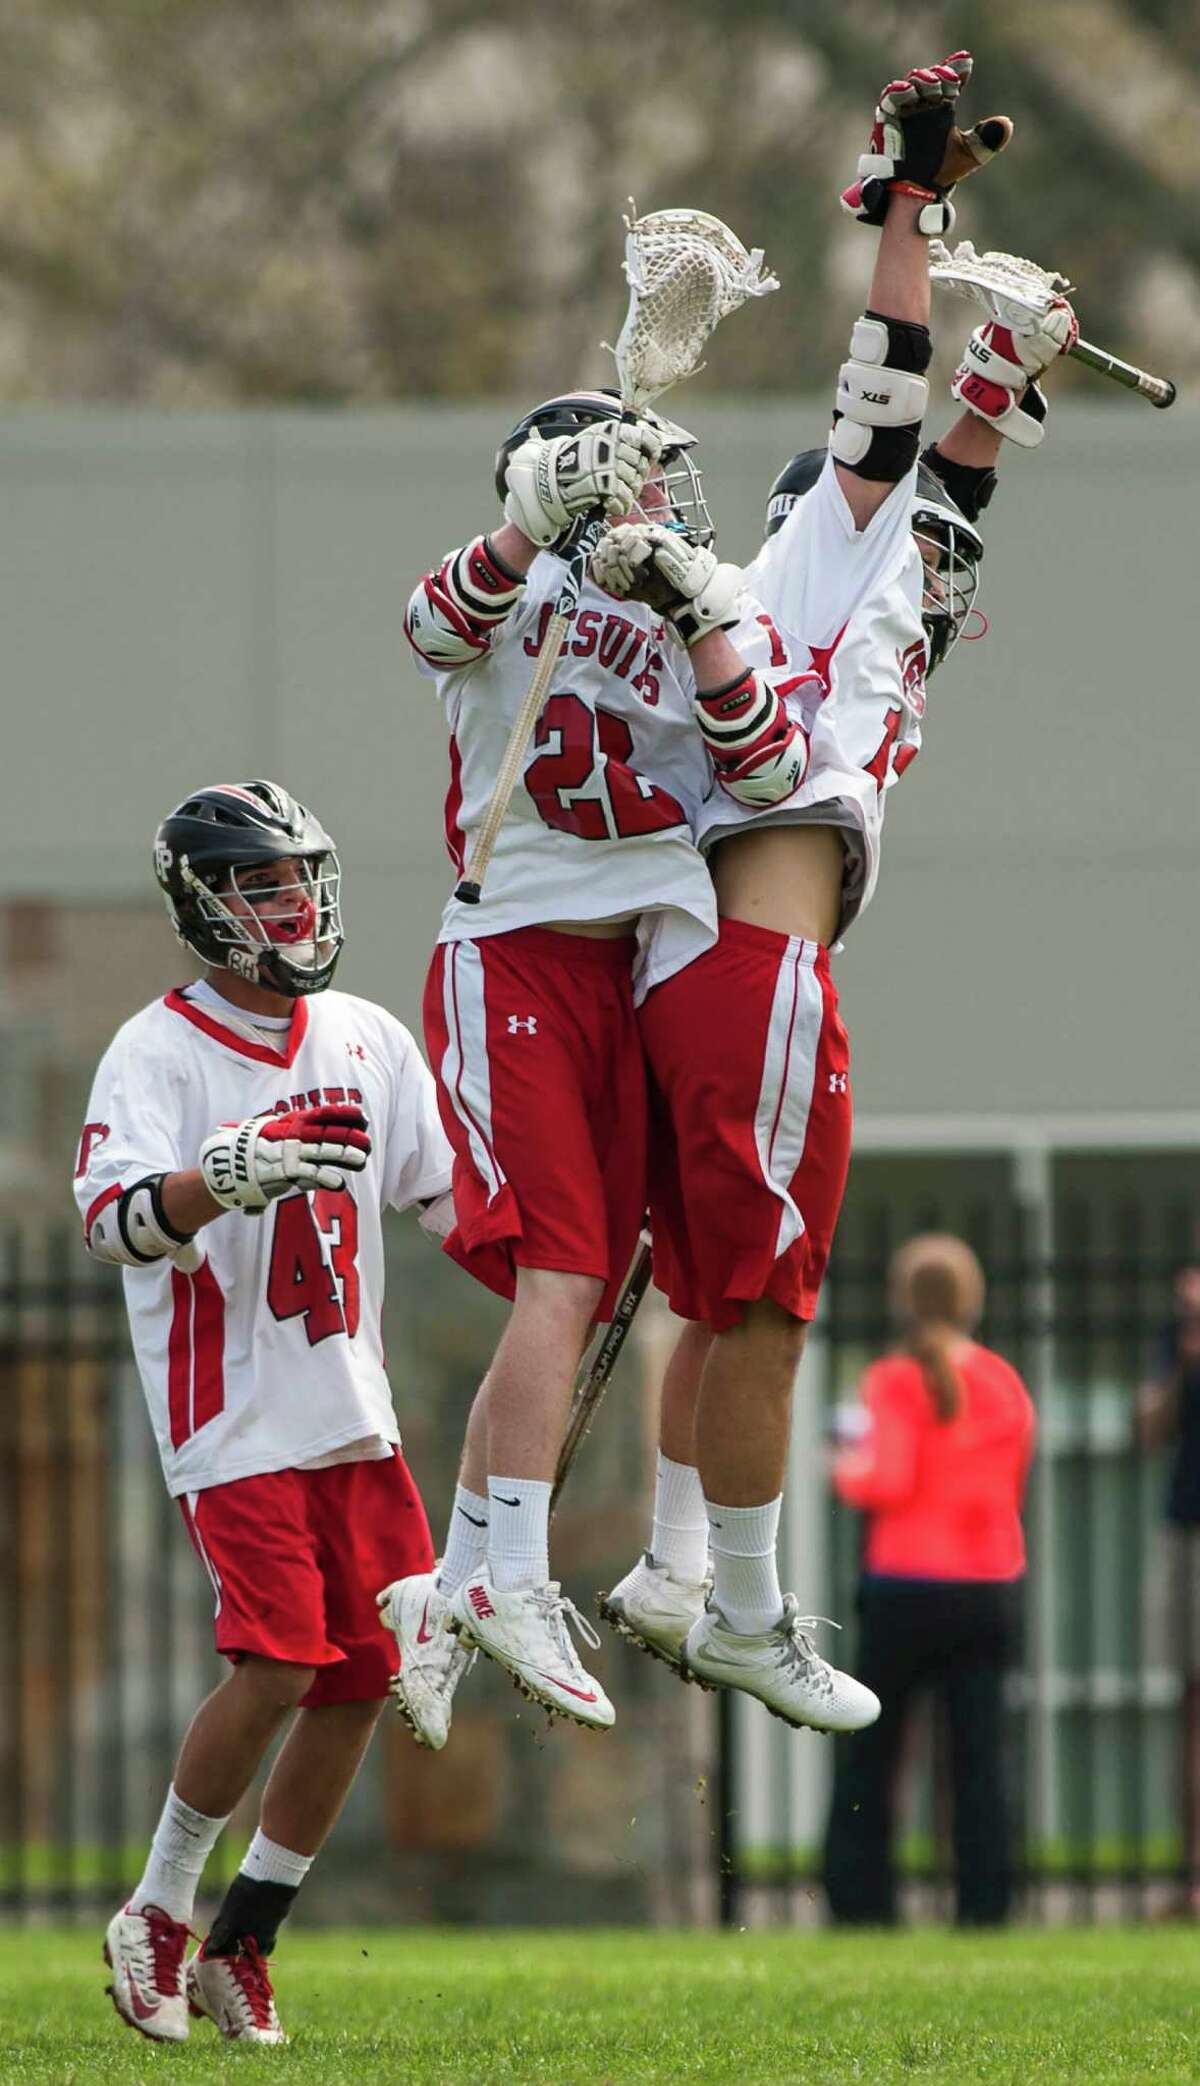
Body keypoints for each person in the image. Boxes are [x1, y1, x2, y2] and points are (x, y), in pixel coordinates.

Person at [600, 100, 1077, 1694]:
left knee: (724, 1300)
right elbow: (887, 419)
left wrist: (1005, 383)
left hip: (708, 967)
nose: (939, 567)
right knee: (777, 1312)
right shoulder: (822, 543)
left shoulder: (866, 607)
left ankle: (677, 1568)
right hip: (759, 967)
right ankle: (746, 1608)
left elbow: (951, 508)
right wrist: (907, 215)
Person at [379, 355, 839, 1737]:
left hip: (637, 963)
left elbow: (765, 772)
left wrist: (699, 613)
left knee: (603, 1276)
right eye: (632, 474)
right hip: (515, 947)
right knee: (564, 1275)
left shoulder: (697, 599)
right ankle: (506, 1577)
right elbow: (426, 621)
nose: (661, 496)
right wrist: (528, 522)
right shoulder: (511, 585)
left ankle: (459, 1577)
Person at [74, 780, 453, 2045]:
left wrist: (584, 1247)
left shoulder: (365, 1034)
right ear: (206, 904)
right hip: (231, 1412)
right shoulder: (160, 1047)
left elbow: (451, 1201)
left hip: (352, 1406)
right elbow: (110, 1218)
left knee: (363, 1677)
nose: (293, 907)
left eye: (303, 880)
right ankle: (160, 1908)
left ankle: (247, 1940)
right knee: (281, 1658)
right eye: (263, 886)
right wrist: (214, 1179)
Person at [822, 1235, 1036, 1926]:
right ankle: (984, 1903)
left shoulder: (892, 1380)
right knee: (979, 1758)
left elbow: (884, 1479)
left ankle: (862, 1904)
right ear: (971, 1301)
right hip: (987, 1587)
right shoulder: (1005, 1382)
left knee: (875, 1756)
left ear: (903, 1302)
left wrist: (840, 1465)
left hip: (905, 1586)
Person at [1137, 1261, 1200, 1914]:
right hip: (1188, 1534)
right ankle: (1193, 1874)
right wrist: (1186, 1359)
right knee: (1192, 1707)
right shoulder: (1176, 1337)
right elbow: (1148, 1429)